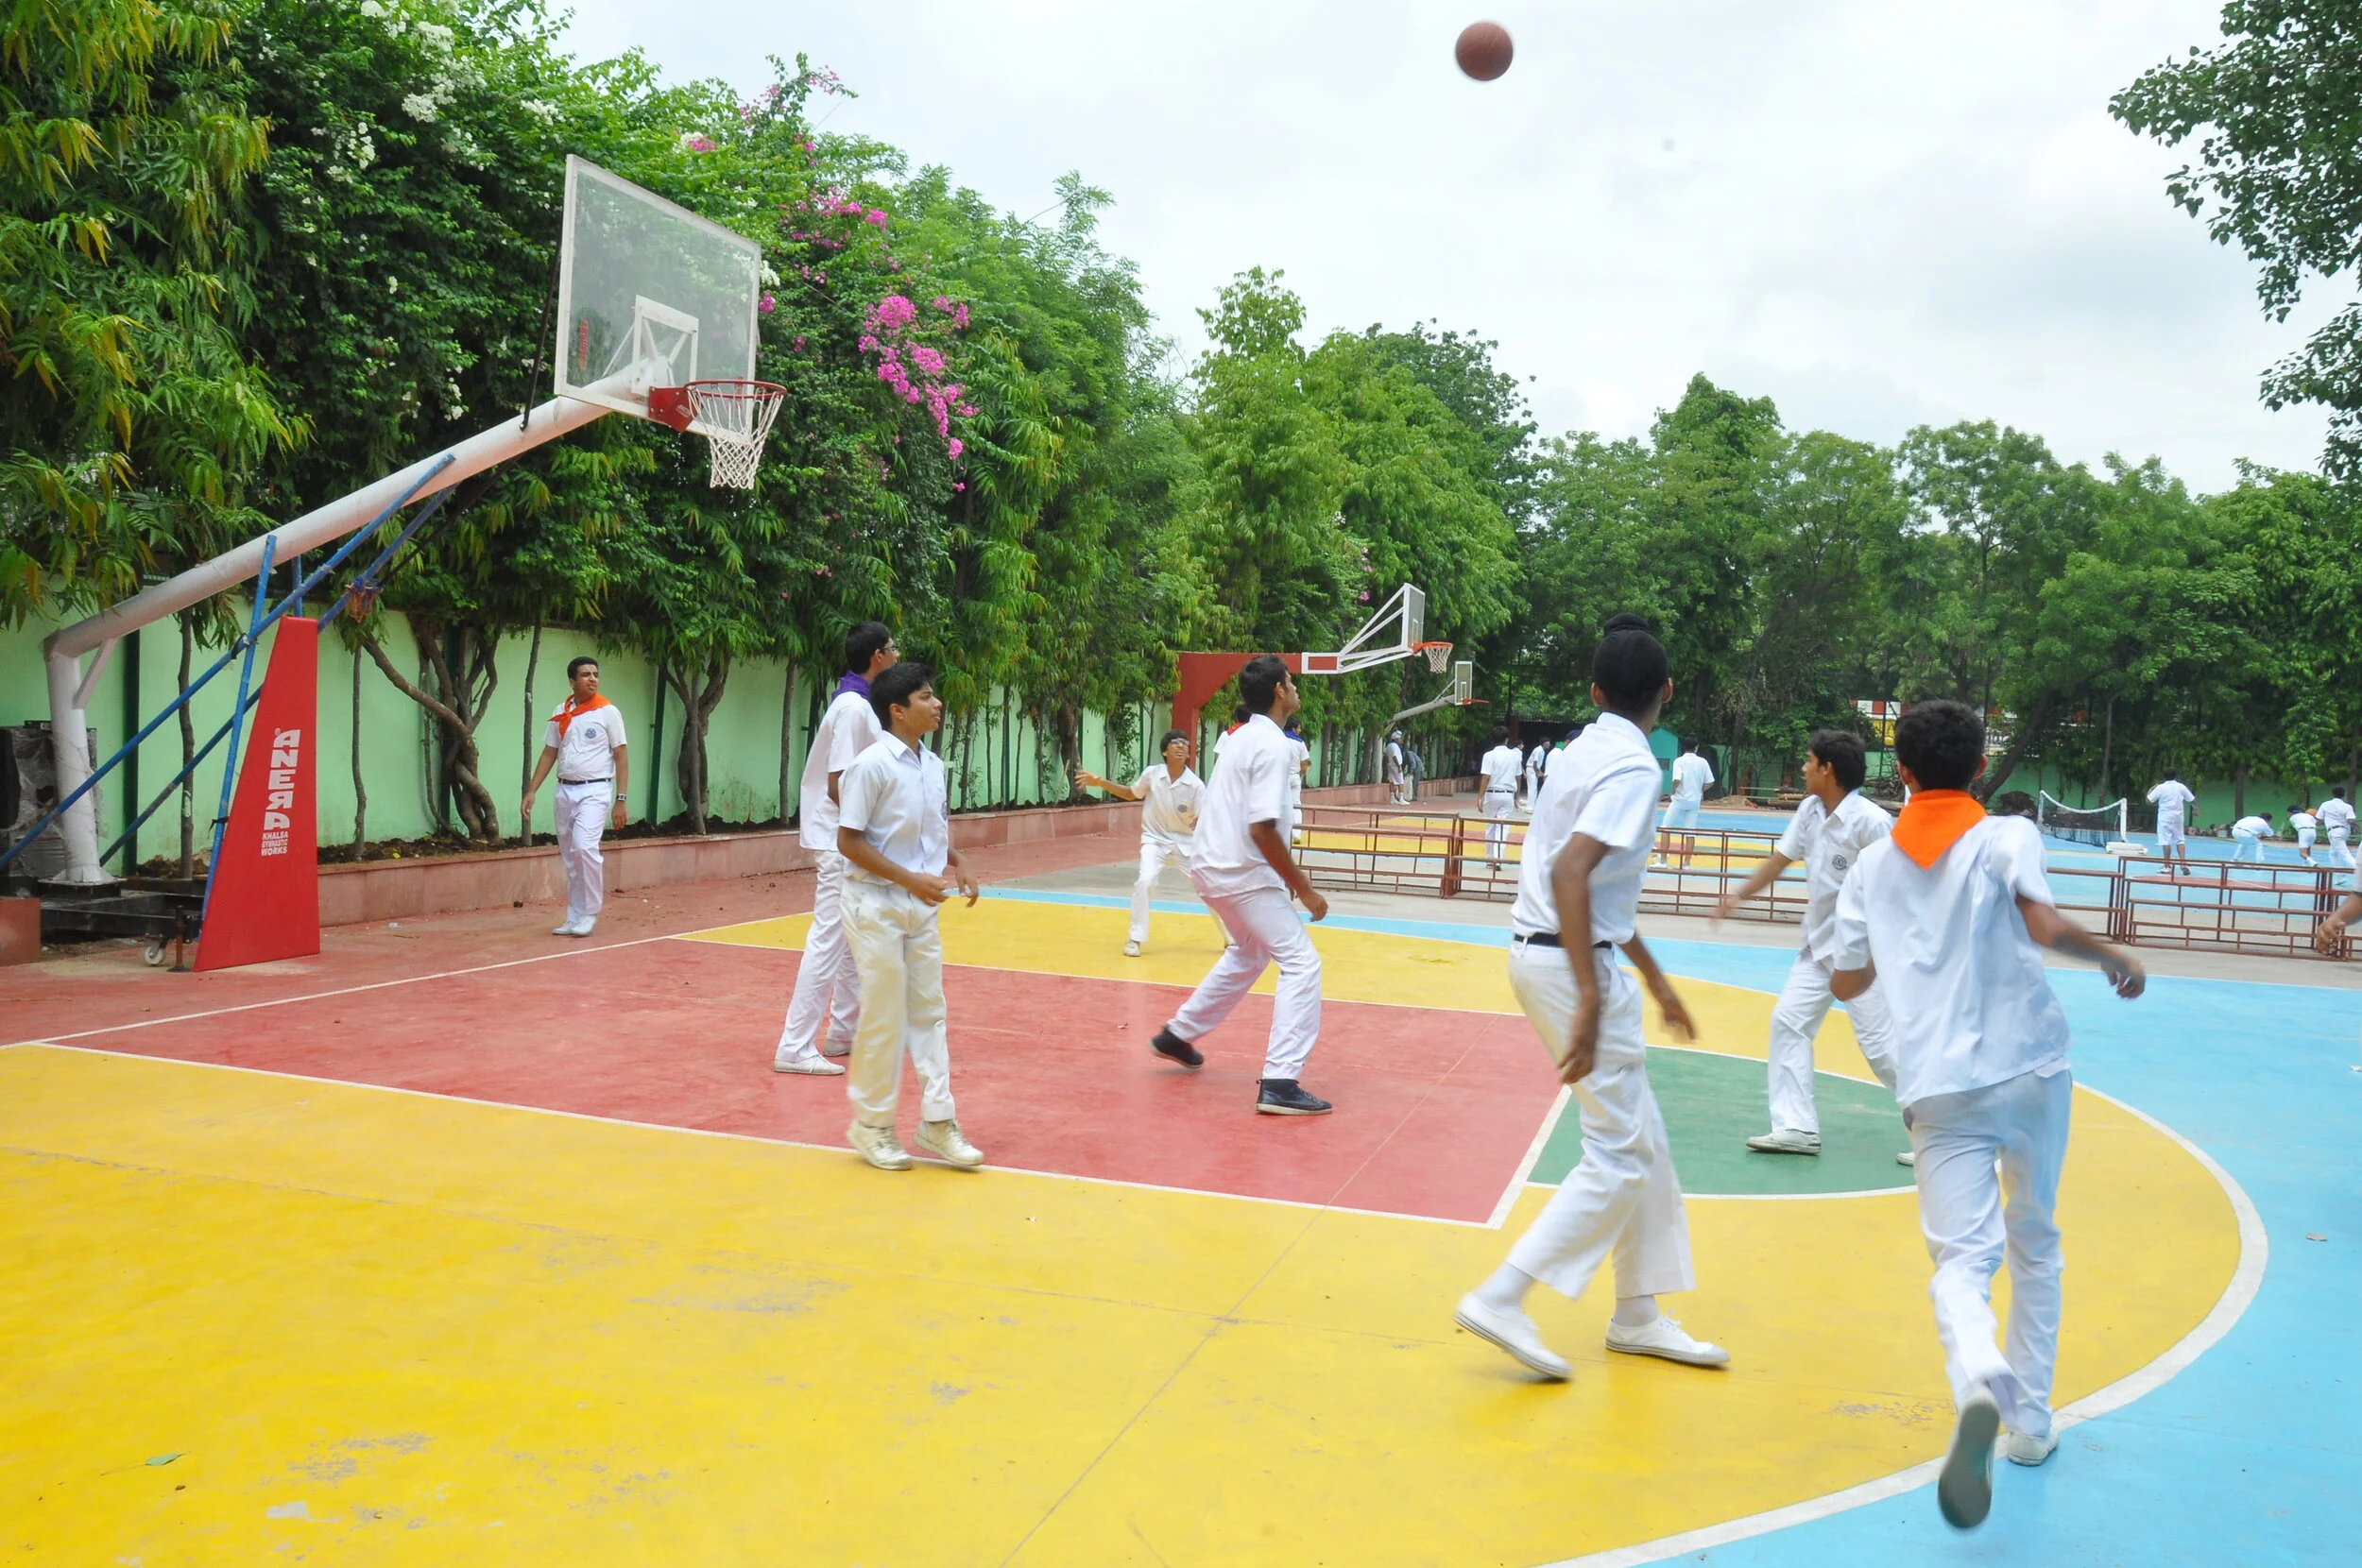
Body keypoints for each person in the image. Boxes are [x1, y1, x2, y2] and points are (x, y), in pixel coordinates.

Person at [1830, 699, 2146, 1530]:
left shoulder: (1869, 865)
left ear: (1900, 770)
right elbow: (2041, 924)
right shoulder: (2007, 835)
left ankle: (1978, 1376)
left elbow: (1846, 980)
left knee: (1961, 1263)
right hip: (2032, 1066)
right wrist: (2109, 951)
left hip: (1938, 1087)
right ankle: (2031, 1427)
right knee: (2035, 1243)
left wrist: (1889, 959)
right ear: (1980, 768)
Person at [1454, 613, 1727, 1382]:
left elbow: (1602, 897)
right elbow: (1573, 874)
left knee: (1646, 1140)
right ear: (1666, 693)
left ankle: (1638, 1311)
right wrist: (1590, 995)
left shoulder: (1580, 752)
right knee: (1619, 1152)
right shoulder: (1639, 770)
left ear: (1596, 691)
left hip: (1552, 951)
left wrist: (1657, 980)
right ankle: (1504, 1294)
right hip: (1569, 962)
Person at [1148, 655, 1335, 1116]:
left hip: (1213, 870)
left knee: (1250, 953)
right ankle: (1280, 1081)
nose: (1295, 690)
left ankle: (1178, 1034)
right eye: (1291, 683)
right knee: (1301, 962)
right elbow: (1263, 828)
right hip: (1242, 873)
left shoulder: (1238, 739)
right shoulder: (1274, 747)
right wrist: (1304, 886)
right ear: (1278, 691)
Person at [1715, 729, 1908, 1166]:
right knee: (1788, 1023)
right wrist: (1738, 896)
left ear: (1828, 769)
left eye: (1808, 760)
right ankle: (1797, 1127)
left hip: (1862, 955)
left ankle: (1942, 1130)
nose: (1802, 768)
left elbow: (1895, 892)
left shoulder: (1871, 822)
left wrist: (1877, 961)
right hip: (1819, 948)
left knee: (1882, 1049)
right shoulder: (1809, 810)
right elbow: (1780, 860)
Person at [836, 661, 984, 1171]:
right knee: (883, 1014)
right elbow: (848, 842)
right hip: (873, 903)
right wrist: (909, 879)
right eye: (925, 697)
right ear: (897, 711)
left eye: (933, 695)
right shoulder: (870, 765)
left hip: (921, 905)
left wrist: (956, 860)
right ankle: (871, 1126)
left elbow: (925, 831)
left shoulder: (932, 765)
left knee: (930, 1012)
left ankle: (938, 1122)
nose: (937, 703)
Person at [771, 622, 898, 1075]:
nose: (897, 654)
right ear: (879, 656)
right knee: (828, 939)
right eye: (893, 648)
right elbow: (838, 782)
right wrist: (869, 834)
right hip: (839, 839)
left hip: (844, 836)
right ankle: (794, 1045)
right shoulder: (851, 707)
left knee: (846, 938)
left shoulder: (858, 703)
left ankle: (843, 1030)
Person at [522, 656, 629, 938]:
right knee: (570, 857)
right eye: (585, 675)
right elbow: (549, 753)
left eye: (595, 674)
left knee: (584, 849)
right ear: (572, 681)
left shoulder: (607, 712)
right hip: (564, 790)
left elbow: (621, 755)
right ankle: (574, 916)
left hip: (595, 790)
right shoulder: (562, 711)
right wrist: (532, 790)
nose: (592, 679)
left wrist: (621, 798)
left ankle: (590, 912)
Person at [1074, 731, 1204, 957]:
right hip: (1154, 840)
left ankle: (1232, 938)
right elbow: (1131, 794)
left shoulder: (1196, 785)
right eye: (1176, 743)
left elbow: (1205, 817)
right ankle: (1135, 938)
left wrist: (1202, 820)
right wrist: (1100, 783)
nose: (1181, 746)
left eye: (1185, 743)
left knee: (1209, 888)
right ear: (1165, 751)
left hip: (1185, 843)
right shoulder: (1152, 774)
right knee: (1145, 881)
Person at [1656, 736, 1713, 870]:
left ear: (1684, 747)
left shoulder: (1679, 761)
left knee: (1666, 827)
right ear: (1696, 747)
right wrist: (1699, 790)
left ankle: (1663, 861)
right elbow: (1710, 782)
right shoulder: (1703, 762)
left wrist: (1673, 791)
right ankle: (1686, 864)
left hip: (1679, 800)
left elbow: (1677, 779)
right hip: (1694, 801)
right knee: (1690, 831)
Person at [1478, 725, 1522, 869]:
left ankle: (1490, 859)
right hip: (1508, 794)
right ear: (1507, 739)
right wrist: (1517, 797)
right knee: (1502, 827)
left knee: (1491, 826)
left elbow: (1486, 776)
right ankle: (1498, 858)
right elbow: (1518, 777)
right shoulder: (1515, 756)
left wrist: (1480, 796)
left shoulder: (1489, 755)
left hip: (1492, 793)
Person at [2147, 771, 2196, 876]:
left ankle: (2167, 866)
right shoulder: (2181, 786)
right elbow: (2192, 799)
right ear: (2175, 775)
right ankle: (2183, 864)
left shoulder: (2160, 787)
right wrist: (2196, 809)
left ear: (2164, 776)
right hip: (2178, 817)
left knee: (2165, 841)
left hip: (2165, 817)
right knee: (2180, 840)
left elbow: (2149, 800)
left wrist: (2151, 789)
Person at [2319, 786, 2355, 869]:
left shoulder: (2325, 804)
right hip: (2345, 831)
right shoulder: (2347, 806)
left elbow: (2319, 820)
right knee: (2333, 853)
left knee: (2345, 854)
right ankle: (2340, 876)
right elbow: (2350, 820)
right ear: (2344, 795)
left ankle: (2359, 870)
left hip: (2334, 831)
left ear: (2332, 794)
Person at [2289, 802, 2319, 866]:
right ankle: (2307, 864)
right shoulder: (2309, 815)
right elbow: (2316, 823)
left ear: (2291, 812)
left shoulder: (2292, 818)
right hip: (2313, 831)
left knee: (2302, 853)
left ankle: (2312, 862)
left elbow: (2296, 828)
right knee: (2308, 848)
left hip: (2303, 831)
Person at [1524, 734, 1549, 810]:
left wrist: (1540, 771)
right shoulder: (1538, 750)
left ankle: (1533, 805)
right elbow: (1535, 763)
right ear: (1544, 743)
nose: (1549, 745)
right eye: (1548, 743)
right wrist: (1537, 772)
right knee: (1532, 788)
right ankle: (1530, 806)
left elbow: (1538, 764)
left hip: (1534, 769)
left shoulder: (1542, 751)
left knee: (1534, 788)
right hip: (1531, 769)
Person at [1385, 729, 1411, 805]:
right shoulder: (1395, 746)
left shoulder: (1389, 745)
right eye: (1399, 739)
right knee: (1400, 782)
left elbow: (1386, 755)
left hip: (1390, 765)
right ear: (1396, 739)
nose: (1400, 740)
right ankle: (1401, 799)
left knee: (1392, 782)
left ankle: (1392, 799)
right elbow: (1395, 756)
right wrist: (1399, 766)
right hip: (1396, 766)